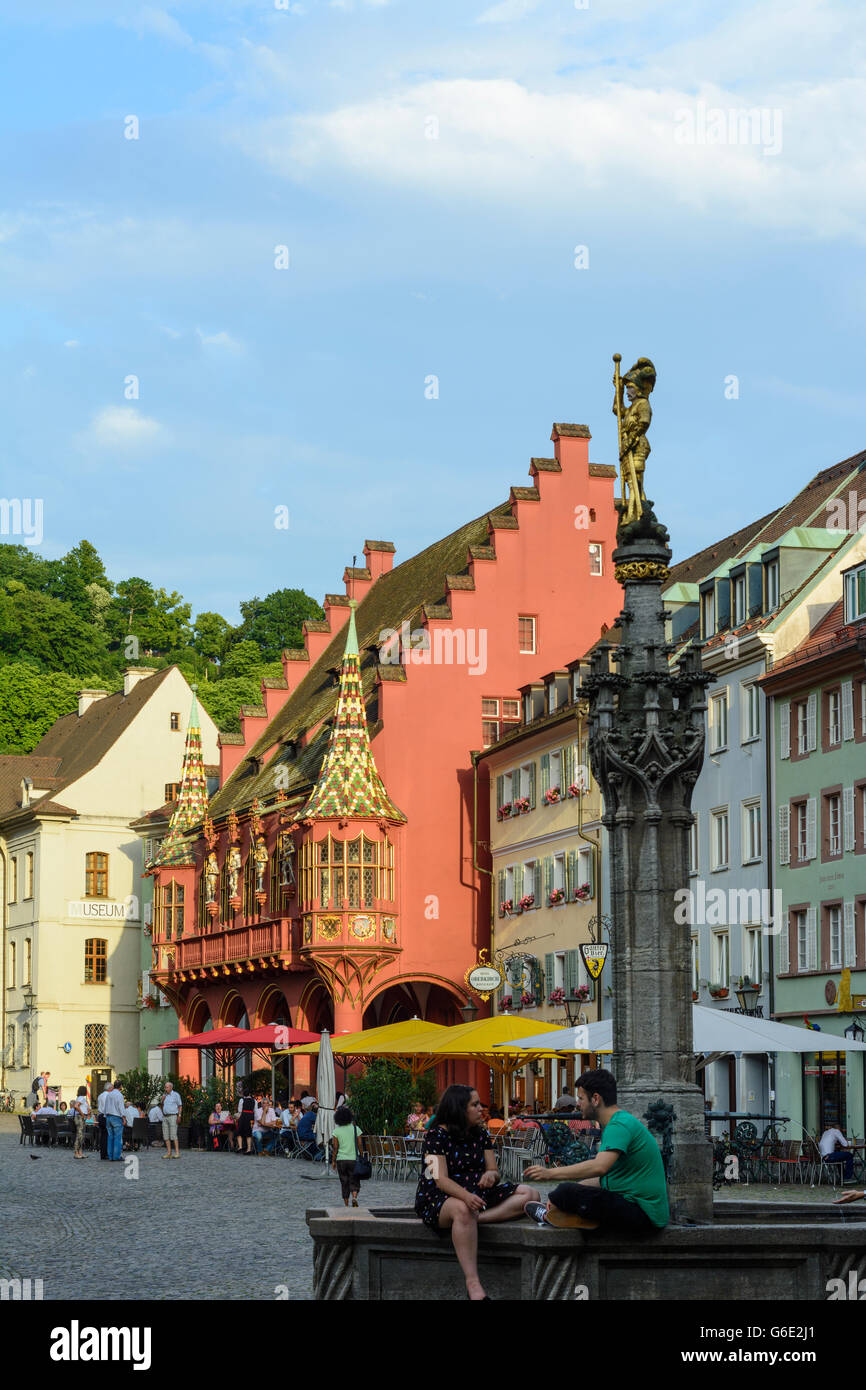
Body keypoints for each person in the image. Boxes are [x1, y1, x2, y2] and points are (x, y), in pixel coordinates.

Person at [414, 1084, 540, 1301]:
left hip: (478, 1193)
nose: (481, 1109)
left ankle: (473, 1221)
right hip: (442, 1196)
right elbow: (440, 1179)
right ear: (459, 1108)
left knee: (531, 1195)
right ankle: (473, 1284)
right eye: (475, 1105)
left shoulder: (480, 1133)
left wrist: (491, 1176)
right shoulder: (435, 1136)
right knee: (463, 1209)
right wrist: (465, 1196)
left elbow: (493, 1170)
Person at [523, 1068, 669, 1233]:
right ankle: (565, 1216)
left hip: (643, 1214)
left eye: (581, 1098)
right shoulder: (618, 1123)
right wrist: (573, 1191)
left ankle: (555, 1216)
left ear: (595, 1099)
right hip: (641, 1210)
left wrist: (550, 1174)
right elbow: (604, 1179)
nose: (578, 1104)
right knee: (567, 1192)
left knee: (565, 1191)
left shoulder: (619, 1125)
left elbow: (599, 1167)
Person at [332, 1104, 362, 1207]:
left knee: (344, 1182)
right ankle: (354, 1197)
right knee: (354, 1179)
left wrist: (333, 1160)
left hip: (341, 1160)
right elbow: (360, 1143)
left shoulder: (336, 1131)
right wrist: (361, 1155)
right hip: (353, 1159)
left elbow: (335, 1147)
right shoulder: (355, 1128)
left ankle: (346, 1204)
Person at [102, 1081, 126, 1161]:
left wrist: (105, 1116)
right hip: (116, 1117)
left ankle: (110, 1155)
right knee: (117, 1138)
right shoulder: (119, 1095)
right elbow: (121, 1107)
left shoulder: (109, 1094)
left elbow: (105, 1107)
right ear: (120, 1086)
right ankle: (116, 1156)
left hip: (108, 1117)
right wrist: (124, 1117)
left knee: (110, 1137)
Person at [161, 1081, 183, 1160]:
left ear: (171, 1087)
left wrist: (179, 1116)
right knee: (166, 1135)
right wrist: (162, 1100)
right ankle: (169, 1153)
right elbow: (162, 1106)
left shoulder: (176, 1095)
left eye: (167, 1087)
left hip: (173, 1116)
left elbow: (180, 1106)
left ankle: (177, 1153)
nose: (165, 1088)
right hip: (165, 1116)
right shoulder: (164, 1095)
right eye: (165, 1087)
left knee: (173, 1135)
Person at [71, 1085, 90, 1159]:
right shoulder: (81, 1098)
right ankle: (76, 1153)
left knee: (81, 1135)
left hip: (80, 1117)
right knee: (79, 1135)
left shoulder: (81, 1098)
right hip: (80, 1117)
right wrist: (82, 1114)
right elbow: (76, 1106)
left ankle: (80, 1152)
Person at [235, 1089, 255, 1154]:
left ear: (244, 1094)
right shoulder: (254, 1101)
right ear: (249, 1094)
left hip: (243, 1116)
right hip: (251, 1116)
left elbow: (240, 1110)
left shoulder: (242, 1100)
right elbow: (255, 1110)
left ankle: (240, 1147)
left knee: (239, 1131)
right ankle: (249, 1149)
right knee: (248, 1132)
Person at [96, 1084, 111, 1160]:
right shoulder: (108, 1095)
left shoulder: (100, 1095)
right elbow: (107, 1107)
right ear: (109, 1088)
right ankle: (106, 1153)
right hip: (105, 1116)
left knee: (103, 1136)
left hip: (100, 1116)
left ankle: (103, 1154)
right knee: (107, 1135)